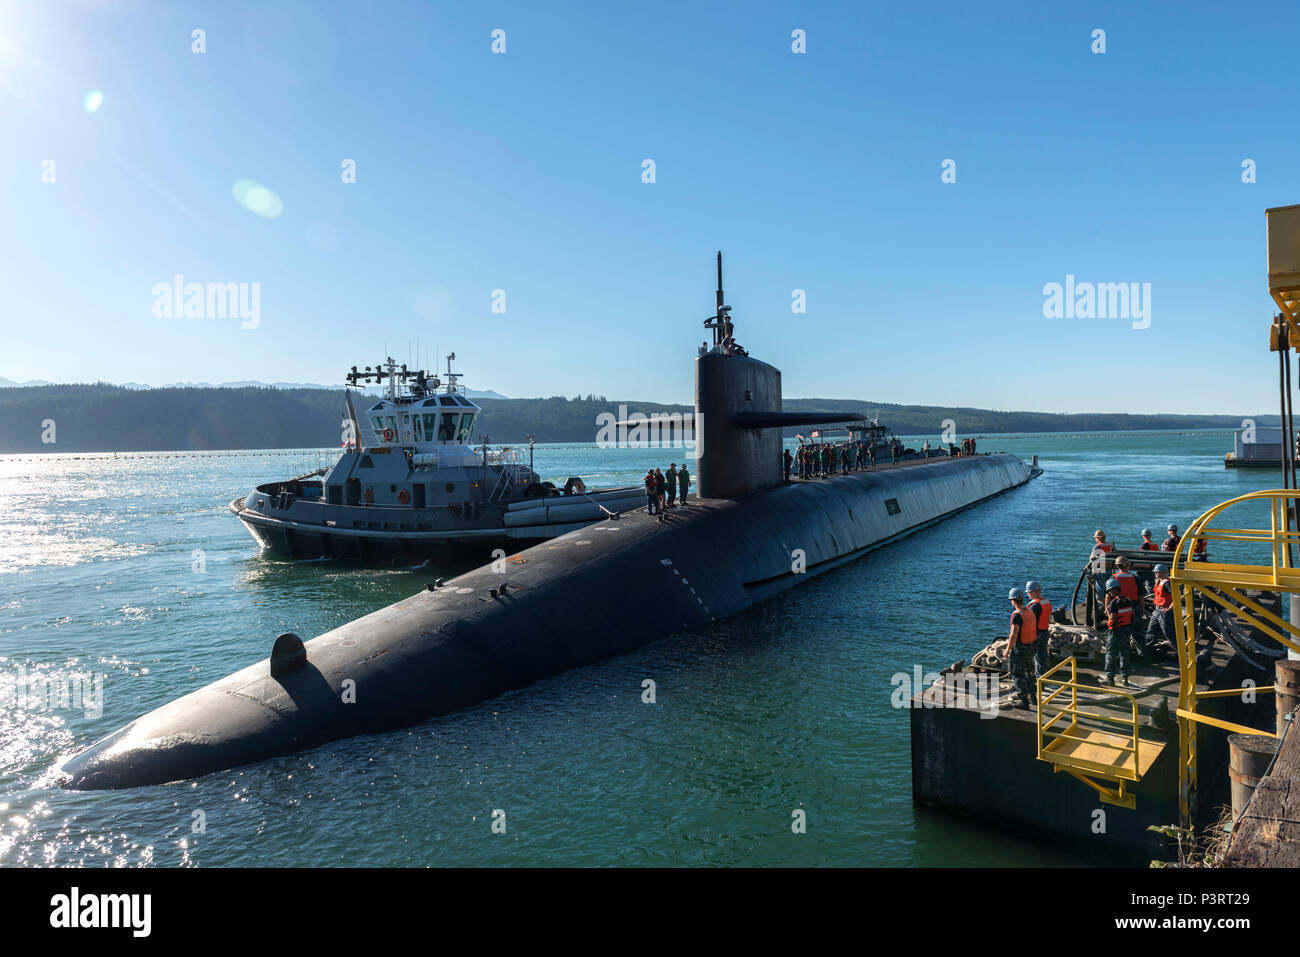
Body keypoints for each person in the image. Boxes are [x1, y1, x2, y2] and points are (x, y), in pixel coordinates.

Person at [1004, 587, 1038, 709]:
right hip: (1031, 647)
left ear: (1013, 601)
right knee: (1030, 673)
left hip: (1020, 649)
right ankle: (1033, 698)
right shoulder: (1030, 612)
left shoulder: (1017, 616)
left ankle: (1023, 701)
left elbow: (1014, 634)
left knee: (1016, 673)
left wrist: (1007, 650)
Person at [1103, 578, 1135, 687]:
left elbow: (1113, 619)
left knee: (1111, 655)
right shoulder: (1128, 600)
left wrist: (1109, 617)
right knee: (1125, 654)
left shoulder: (1114, 603)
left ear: (1113, 590)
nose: (1109, 593)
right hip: (1126, 631)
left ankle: (1110, 678)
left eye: (1109, 591)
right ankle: (1125, 678)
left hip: (1116, 632)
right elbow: (1132, 616)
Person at [1144, 563, 1175, 656]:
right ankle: (1147, 647)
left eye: (1157, 572)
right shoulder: (1158, 581)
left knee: (1168, 631)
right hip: (1157, 610)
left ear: (1162, 572)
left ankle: (1177, 648)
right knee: (1151, 629)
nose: (1155, 573)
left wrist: (1169, 608)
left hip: (1164, 611)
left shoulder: (1167, 583)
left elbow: (1176, 596)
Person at [1025, 581, 1053, 678]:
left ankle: (1029, 680)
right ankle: (1041, 679)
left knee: (1028, 658)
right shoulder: (1046, 602)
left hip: (1035, 635)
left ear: (1033, 592)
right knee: (1041, 657)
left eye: (1028, 592)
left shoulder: (1034, 606)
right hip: (1044, 632)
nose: (1027, 594)